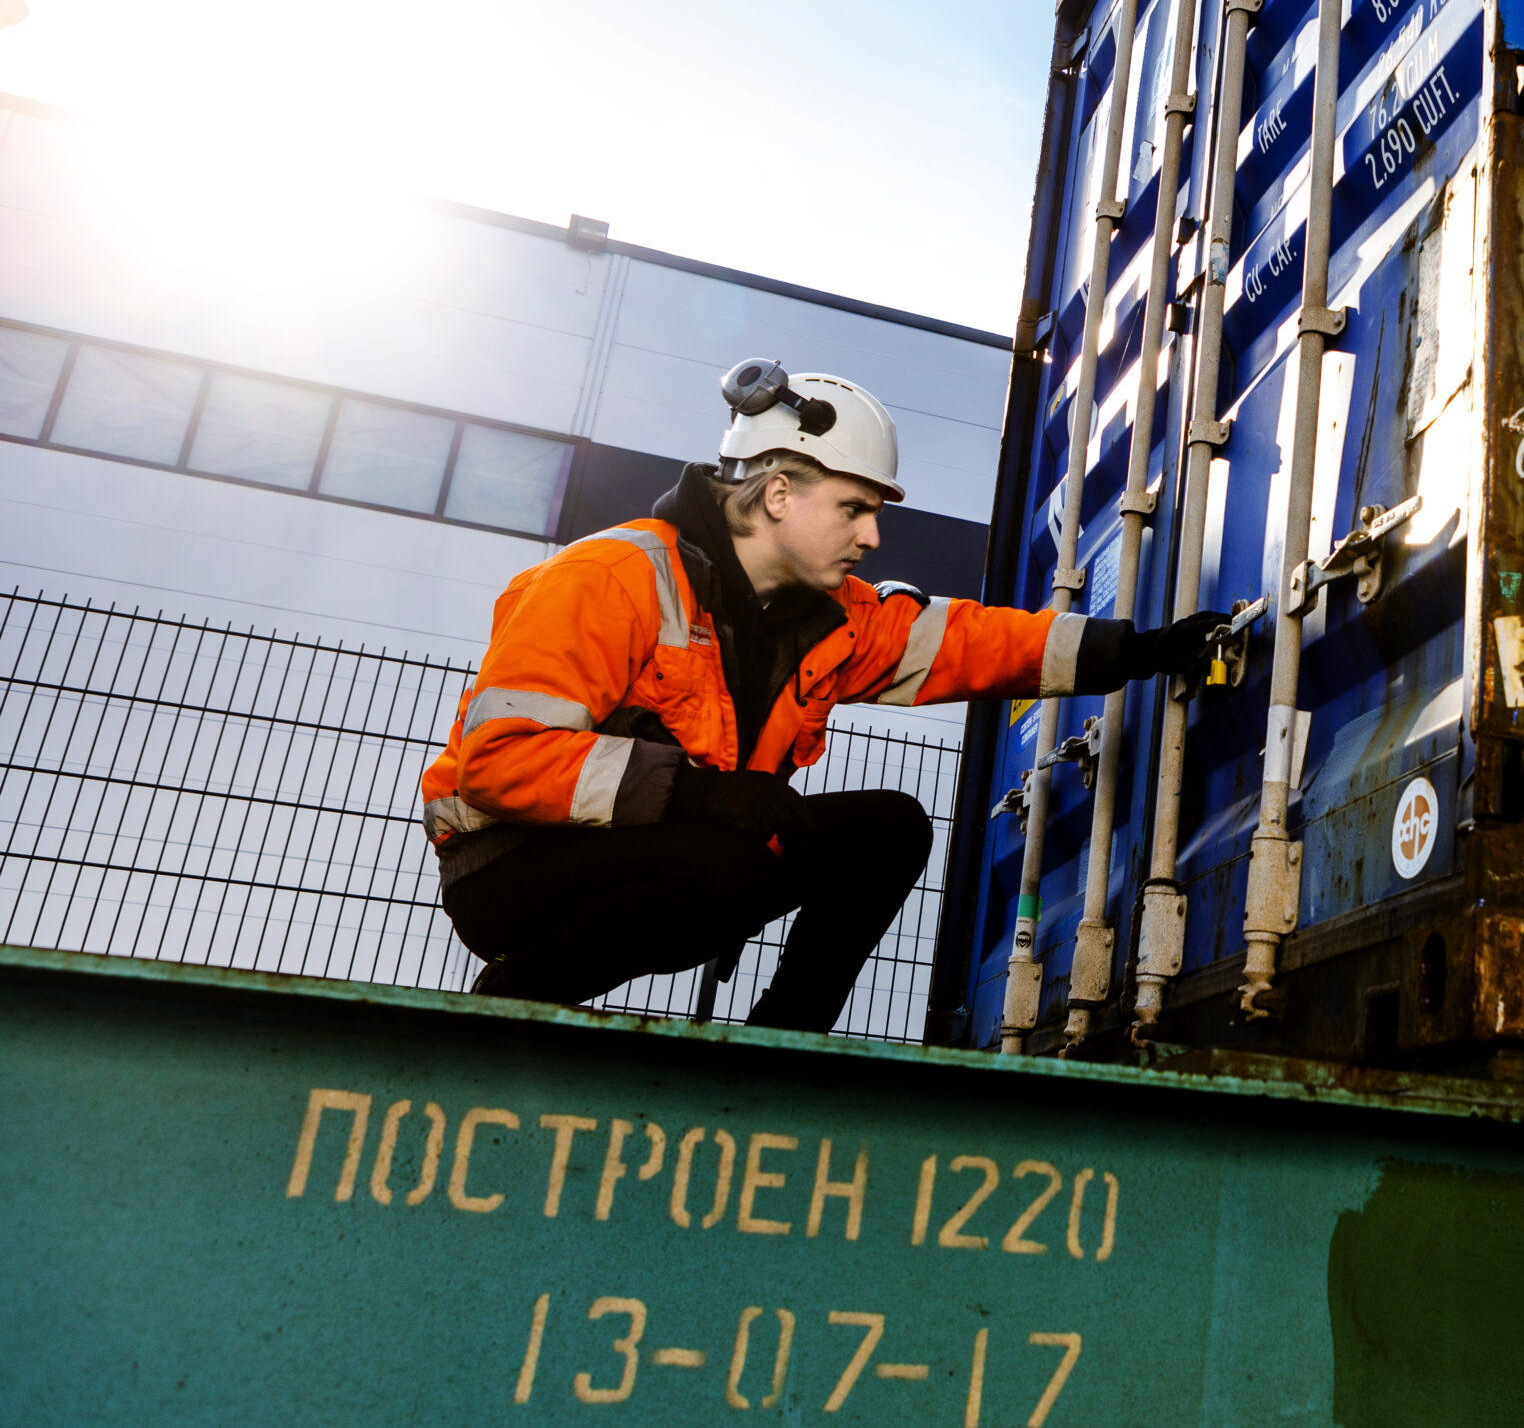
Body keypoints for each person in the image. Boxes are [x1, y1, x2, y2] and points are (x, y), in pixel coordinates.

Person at [419, 358, 1219, 1030]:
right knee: (726, 861)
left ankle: (779, 1049)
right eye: (854, 509)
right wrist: (695, 794)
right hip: (510, 869)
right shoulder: (610, 576)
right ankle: (516, 1000)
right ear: (777, 494)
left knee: (889, 830)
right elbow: (499, 761)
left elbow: (968, 643)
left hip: (682, 847)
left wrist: (1137, 649)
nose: (872, 536)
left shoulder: (829, 617)